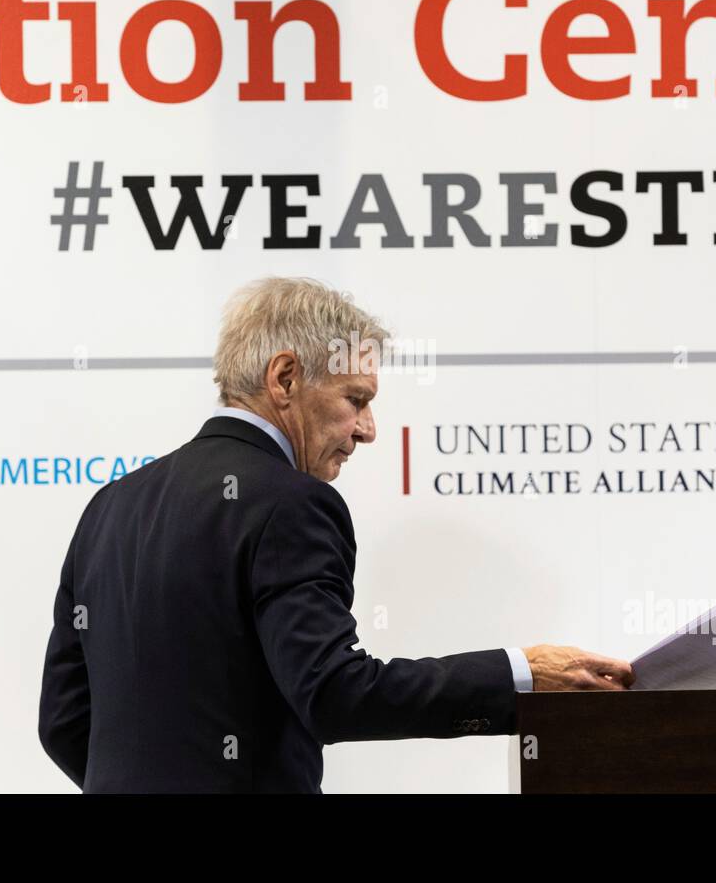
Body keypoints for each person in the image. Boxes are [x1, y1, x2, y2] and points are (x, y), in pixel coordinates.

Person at [38, 276, 633, 792]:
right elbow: (334, 692)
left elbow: (63, 720)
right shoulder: (291, 503)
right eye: (356, 399)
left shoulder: (109, 505)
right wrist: (521, 672)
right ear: (286, 377)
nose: (368, 430)